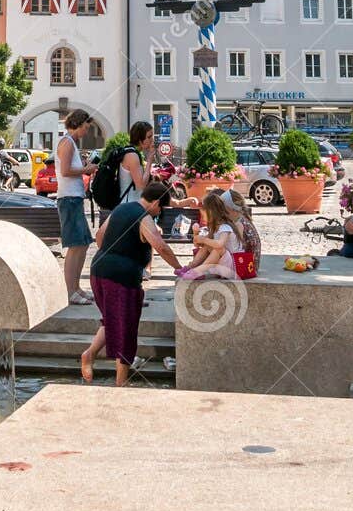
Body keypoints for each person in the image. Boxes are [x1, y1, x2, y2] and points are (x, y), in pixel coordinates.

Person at [81, 180, 182, 385]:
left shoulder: (122, 208)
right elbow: (160, 246)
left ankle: (89, 355)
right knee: (126, 328)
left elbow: (100, 236)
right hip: (122, 279)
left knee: (111, 320)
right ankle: (121, 383)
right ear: (155, 203)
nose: (159, 213)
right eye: (161, 209)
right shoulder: (144, 218)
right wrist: (180, 269)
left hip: (98, 270)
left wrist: (113, 254)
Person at [55, 109, 95, 304]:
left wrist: (84, 168)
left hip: (74, 198)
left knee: (83, 243)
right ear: (78, 124)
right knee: (75, 245)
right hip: (69, 198)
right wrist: (86, 170)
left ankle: (76, 287)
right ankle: (70, 290)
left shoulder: (70, 143)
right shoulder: (67, 142)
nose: (86, 132)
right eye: (86, 127)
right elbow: (65, 170)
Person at [180, 190, 242, 279]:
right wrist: (196, 235)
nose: (203, 218)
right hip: (223, 265)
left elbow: (220, 244)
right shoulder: (213, 228)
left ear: (211, 213)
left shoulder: (225, 227)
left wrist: (204, 239)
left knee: (218, 249)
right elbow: (198, 245)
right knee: (206, 246)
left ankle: (198, 272)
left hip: (235, 266)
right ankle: (191, 267)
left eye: (204, 215)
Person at [219, 185, 262, 272]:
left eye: (222, 207)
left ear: (231, 208)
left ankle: (196, 269)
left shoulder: (238, 223)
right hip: (250, 264)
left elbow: (236, 248)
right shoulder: (242, 218)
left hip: (244, 265)